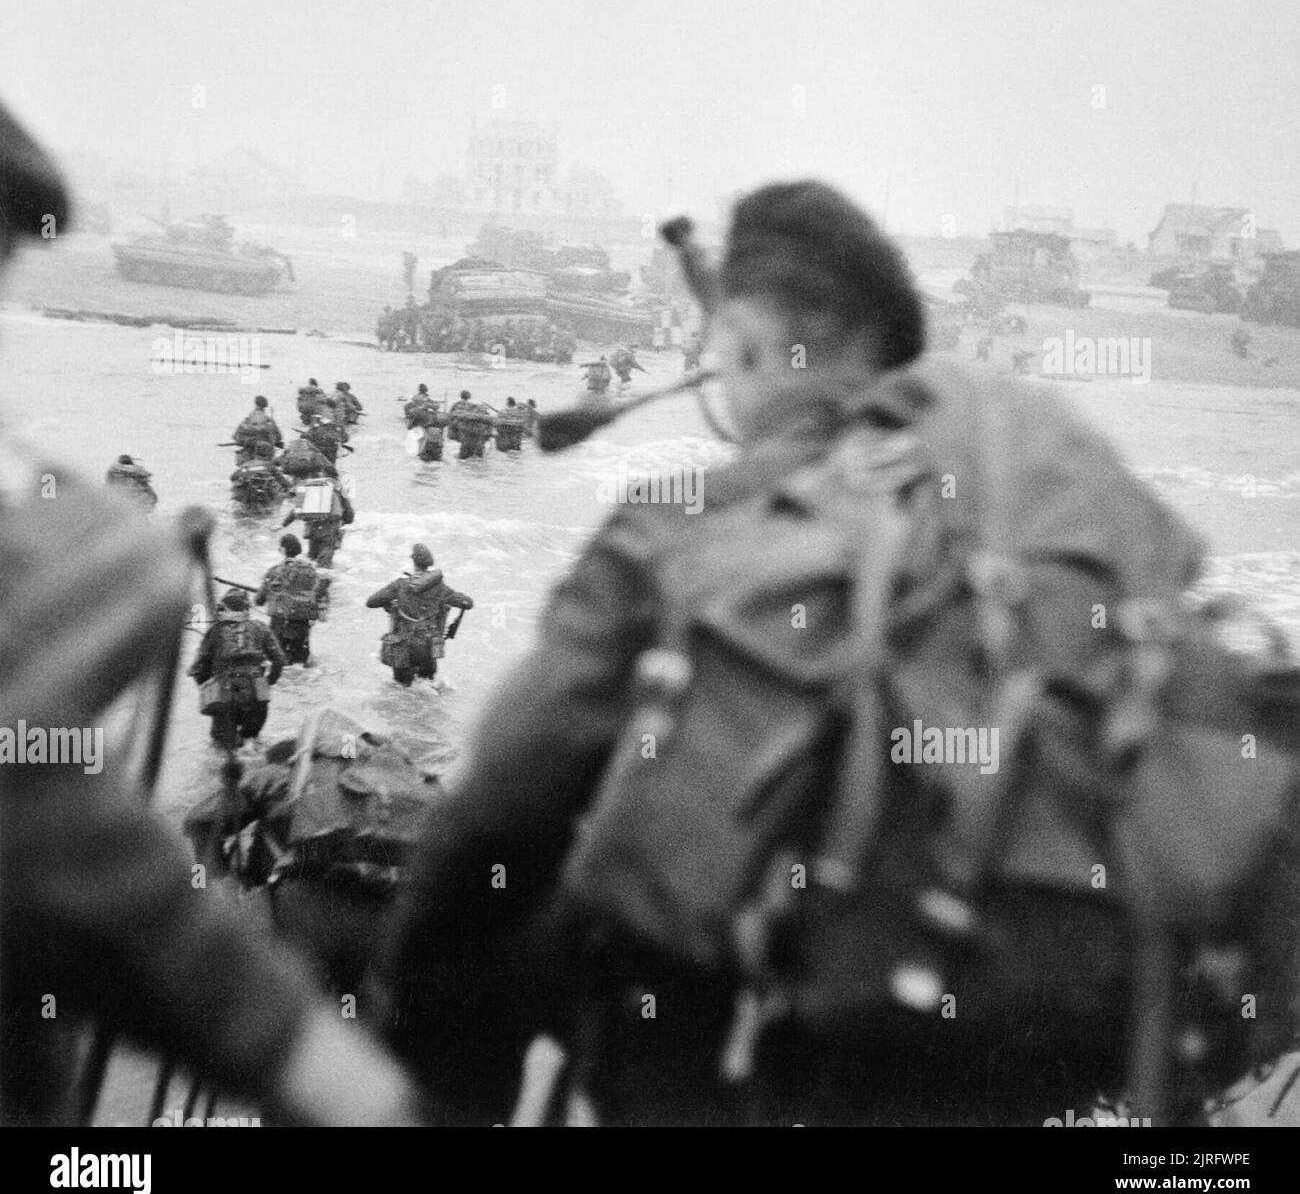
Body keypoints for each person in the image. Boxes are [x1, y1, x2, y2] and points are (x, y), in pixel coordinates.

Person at [382, 181, 1220, 1128]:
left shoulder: (679, 520)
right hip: (1011, 1037)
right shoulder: (1034, 517)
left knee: (490, 936)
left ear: (741, 340)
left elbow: (500, 813)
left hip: (721, 1061)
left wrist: (418, 1013)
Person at [0, 95, 421, 1130]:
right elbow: (56, 825)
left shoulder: (99, 543)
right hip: (280, 641)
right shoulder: (88, 554)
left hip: (263, 645)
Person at [189, 588, 286, 750]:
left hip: (226, 694)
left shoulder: (215, 631)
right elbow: (279, 660)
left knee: (222, 750)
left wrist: (209, 687)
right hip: (258, 692)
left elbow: (198, 669)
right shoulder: (261, 628)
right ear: (246, 609)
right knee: (252, 742)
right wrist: (269, 681)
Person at [366, 543, 473, 687]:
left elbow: (371, 602)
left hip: (402, 646)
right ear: (429, 565)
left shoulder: (400, 584)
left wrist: (392, 605)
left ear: (413, 562)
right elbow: (467, 603)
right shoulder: (441, 588)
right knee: (427, 687)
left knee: (401, 689)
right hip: (428, 647)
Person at [256, 533, 330, 665]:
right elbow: (320, 594)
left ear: (283, 550)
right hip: (302, 624)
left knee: (276, 662)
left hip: (279, 624)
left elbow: (258, 600)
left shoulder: (274, 571)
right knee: (301, 663)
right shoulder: (312, 572)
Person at [283, 473, 355, 567]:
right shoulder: (338, 486)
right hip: (330, 528)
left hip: (312, 528)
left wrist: (283, 524)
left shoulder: (308, 486)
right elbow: (349, 513)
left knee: (312, 560)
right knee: (325, 566)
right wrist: (345, 521)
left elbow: (296, 510)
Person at [231, 439, 294, 510]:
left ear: (255, 453)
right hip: (263, 498)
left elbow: (233, 477)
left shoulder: (246, 465)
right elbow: (284, 483)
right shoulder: (269, 466)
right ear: (270, 454)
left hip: (244, 497)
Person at [232, 395, 284, 462]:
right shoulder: (269, 420)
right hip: (266, 455)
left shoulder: (248, 419)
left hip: (249, 455)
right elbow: (279, 437)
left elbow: (236, 437)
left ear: (256, 405)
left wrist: (246, 441)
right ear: (264, 407)